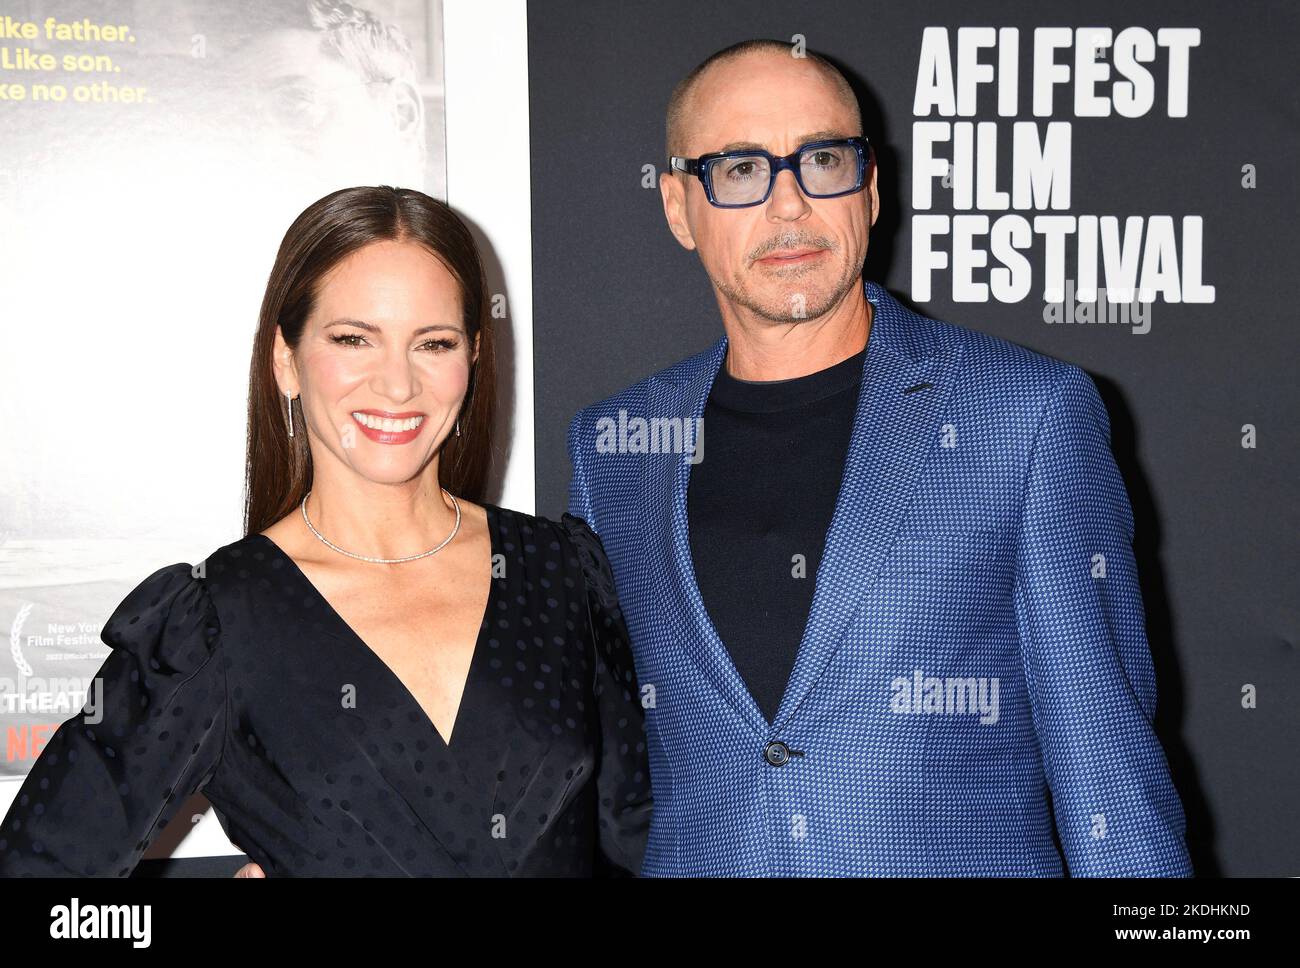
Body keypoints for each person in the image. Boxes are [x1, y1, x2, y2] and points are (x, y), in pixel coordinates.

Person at [565, 39, 1192, 876]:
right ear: (679, 207)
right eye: (742, 169)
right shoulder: (614, 444)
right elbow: (604, 776)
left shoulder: (1027, 414)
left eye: (822, 159)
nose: (789, 206)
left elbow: (1108, 776)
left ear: (870, 188)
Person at [0, 186, 651, 877]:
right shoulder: (218, 622)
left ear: (473, 359)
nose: (398, 384)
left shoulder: (560, 574)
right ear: (286, 360)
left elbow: (643, 850)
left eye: (434, 343)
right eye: (352, 339)